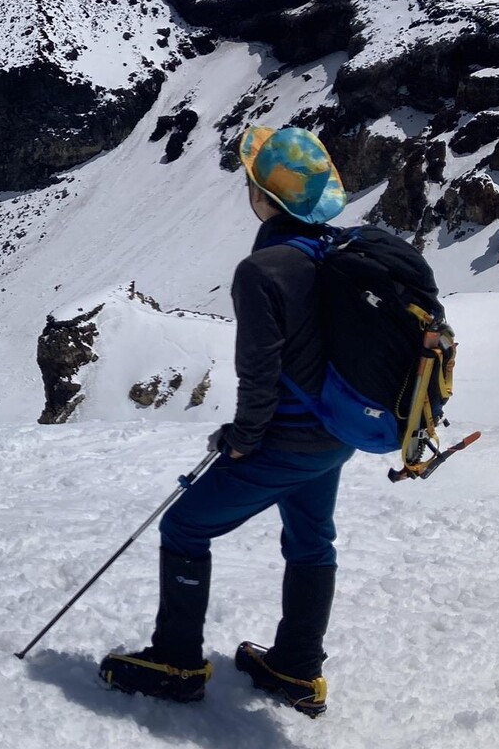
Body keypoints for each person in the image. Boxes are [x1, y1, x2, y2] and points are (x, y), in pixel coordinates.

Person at [98, 125, 352, 718]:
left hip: (288, 439)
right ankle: (296, 668)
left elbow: (260, 376)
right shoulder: (339, 252)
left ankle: (178, 662)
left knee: (186, 527)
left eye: (252, 184)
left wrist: (243, 439)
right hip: (336, 434)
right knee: (312, 541)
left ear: (266, 199)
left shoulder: (263, 271)